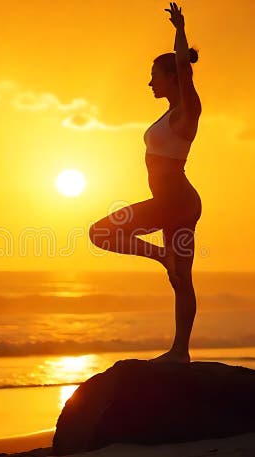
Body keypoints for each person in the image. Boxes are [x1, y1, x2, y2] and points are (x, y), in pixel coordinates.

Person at [88, 2, 202, 363]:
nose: (150, 81)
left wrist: (180, 30)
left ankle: (180, 349)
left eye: (155, 74)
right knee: (180, 279)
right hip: (176, 204)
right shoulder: (169, 114)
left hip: (175, 203)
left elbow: (185, 68)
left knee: (101, 233)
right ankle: (180, 351)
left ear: (171, 77)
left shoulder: (187, 111)